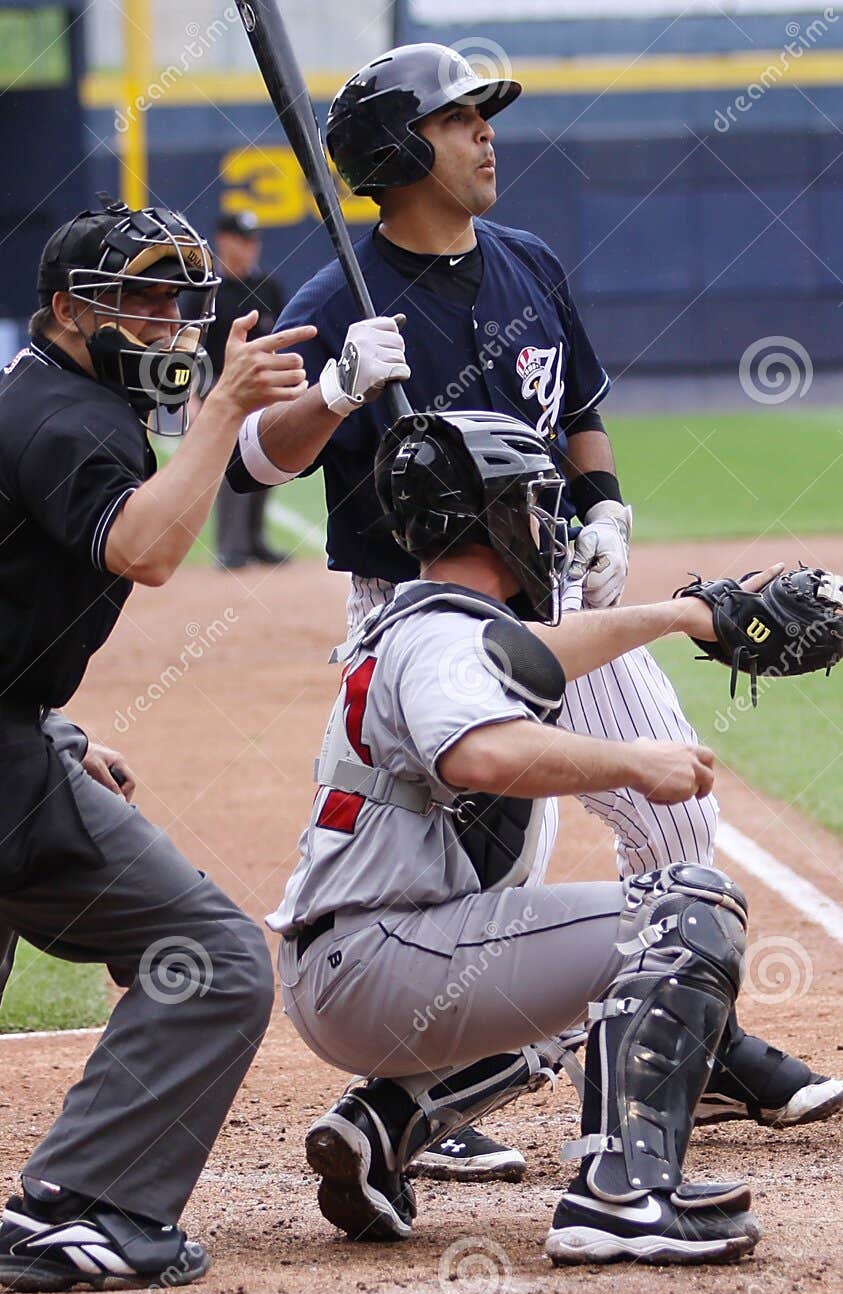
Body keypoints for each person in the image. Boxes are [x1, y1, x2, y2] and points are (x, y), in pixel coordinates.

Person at [233, 43, 843, 1180]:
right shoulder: (337, 301)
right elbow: (250, 467)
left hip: (561, 585)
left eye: (483, 118)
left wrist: (606, 511)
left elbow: (585, 412)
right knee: (486, 861)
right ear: (405, 151)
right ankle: (431, 1096)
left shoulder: (527, 262)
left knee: (674, 810)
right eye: (462, 120)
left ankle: (689, 1043)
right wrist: (331, 393)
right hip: (429, 602)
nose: (487, 135)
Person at [0, 199, 314, 1292]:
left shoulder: (50, 397)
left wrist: (53, 730)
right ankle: (82, 1206)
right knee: (215, 959)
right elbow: (145, 547)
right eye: (136, 298)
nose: (166, 322)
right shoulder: (69, 422)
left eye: (177, 300)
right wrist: (224, 404)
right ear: (64, 313)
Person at [269, 409, 789, 1264]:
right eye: (534, 502)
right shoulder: (441, 639)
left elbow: (545, 650)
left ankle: (382, 1124)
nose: (549, 524)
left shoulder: (435, 622)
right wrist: (632, 761)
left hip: (365, 964)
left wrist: (682, 615)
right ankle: (621, 1198)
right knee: (687, 913)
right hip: (381, 960)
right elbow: (479, 752)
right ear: (492, 517)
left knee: (593, 988)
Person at [204, 210, 288, 570]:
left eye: (253, 240)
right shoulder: (208, 291)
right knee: (231, 464)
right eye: (242, 240)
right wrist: (195, 394)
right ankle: (229, 547)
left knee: (265, 461)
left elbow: (282, 337)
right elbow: (192, 347)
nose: (250, 248)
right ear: (223, 242)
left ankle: (254, 540)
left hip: (264, 388)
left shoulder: (268, 285)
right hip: (222, 390)